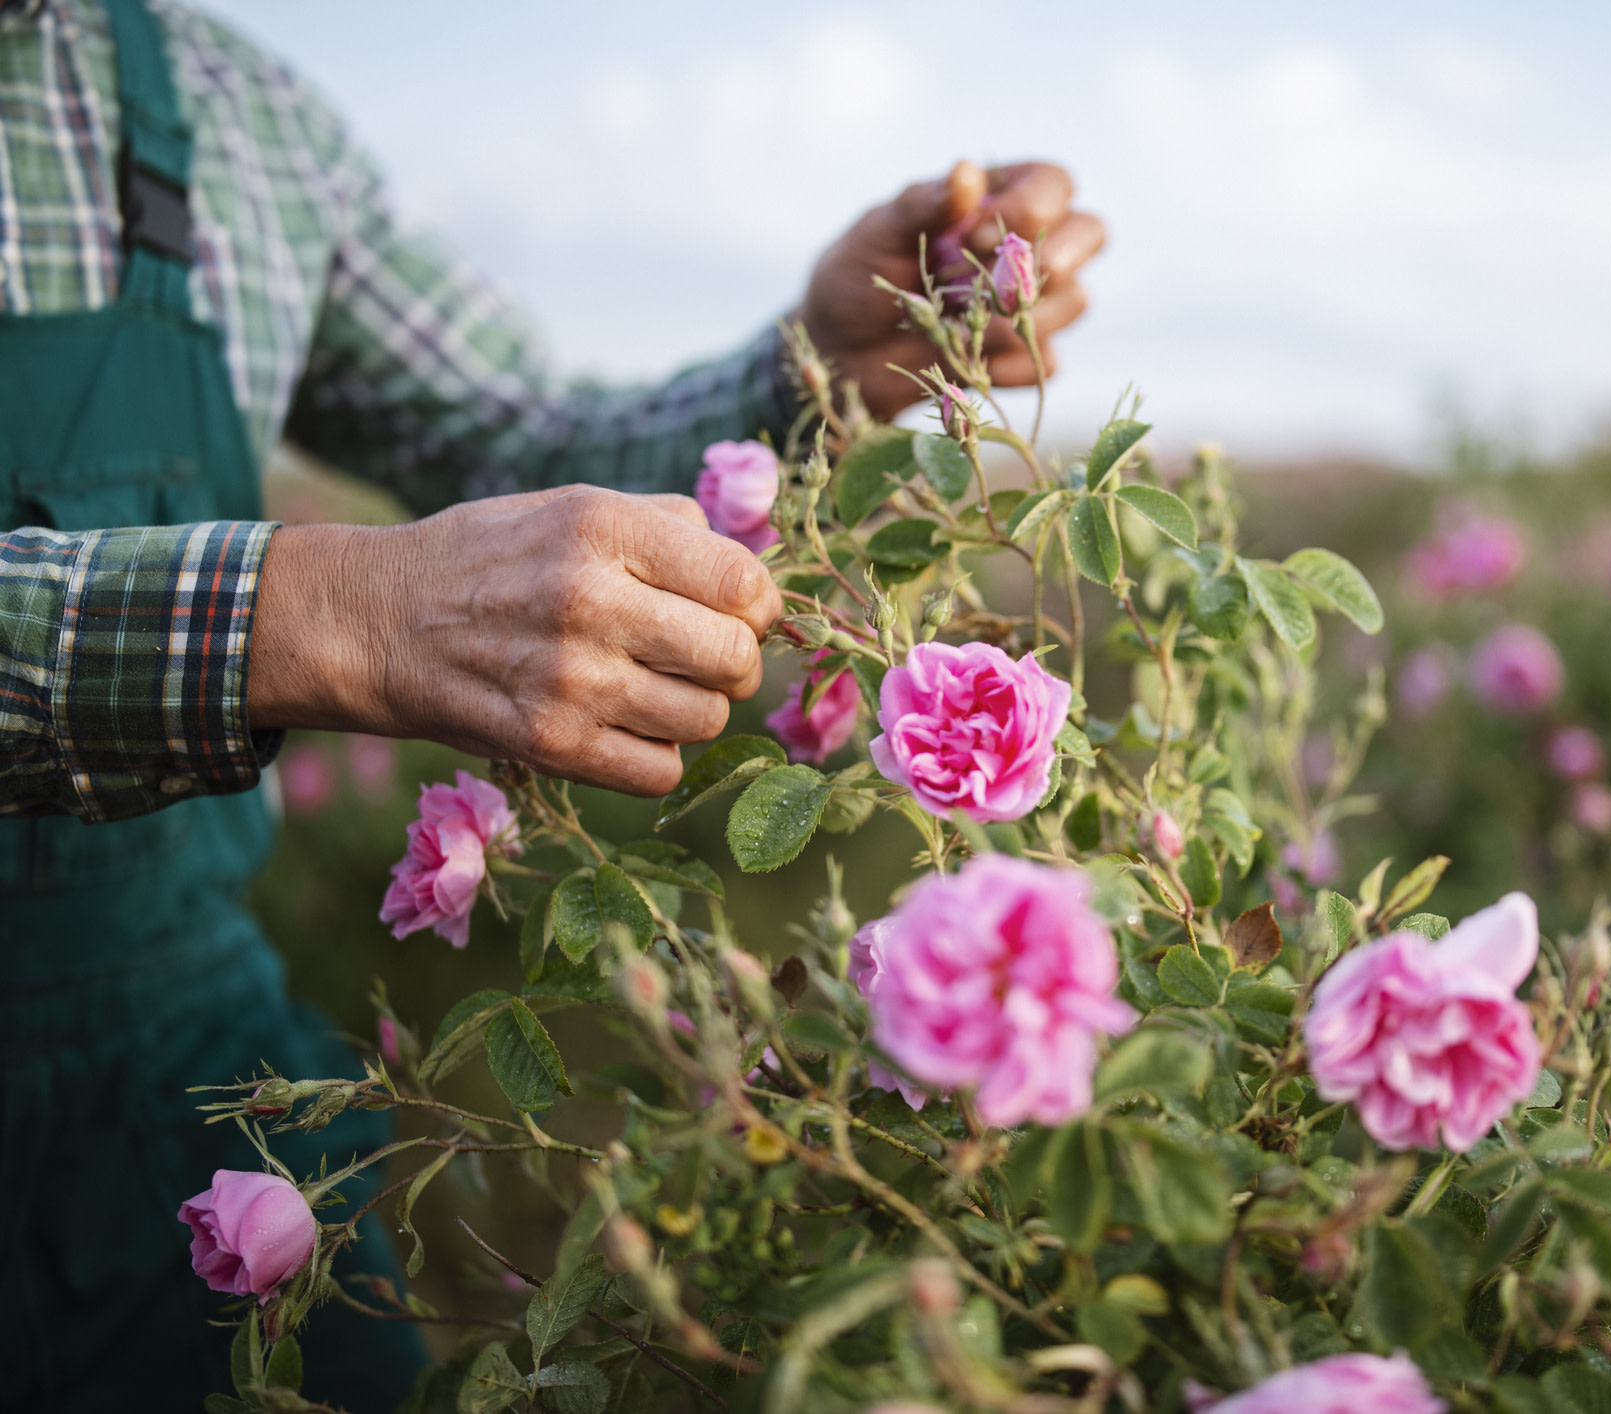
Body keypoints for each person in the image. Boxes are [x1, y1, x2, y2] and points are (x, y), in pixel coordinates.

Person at [0, 1, 1106, 1408]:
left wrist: (819, 359)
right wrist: (313, 612)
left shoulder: (230, 112)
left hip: (163, 1025)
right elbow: (352, 594)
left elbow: (515, 438)